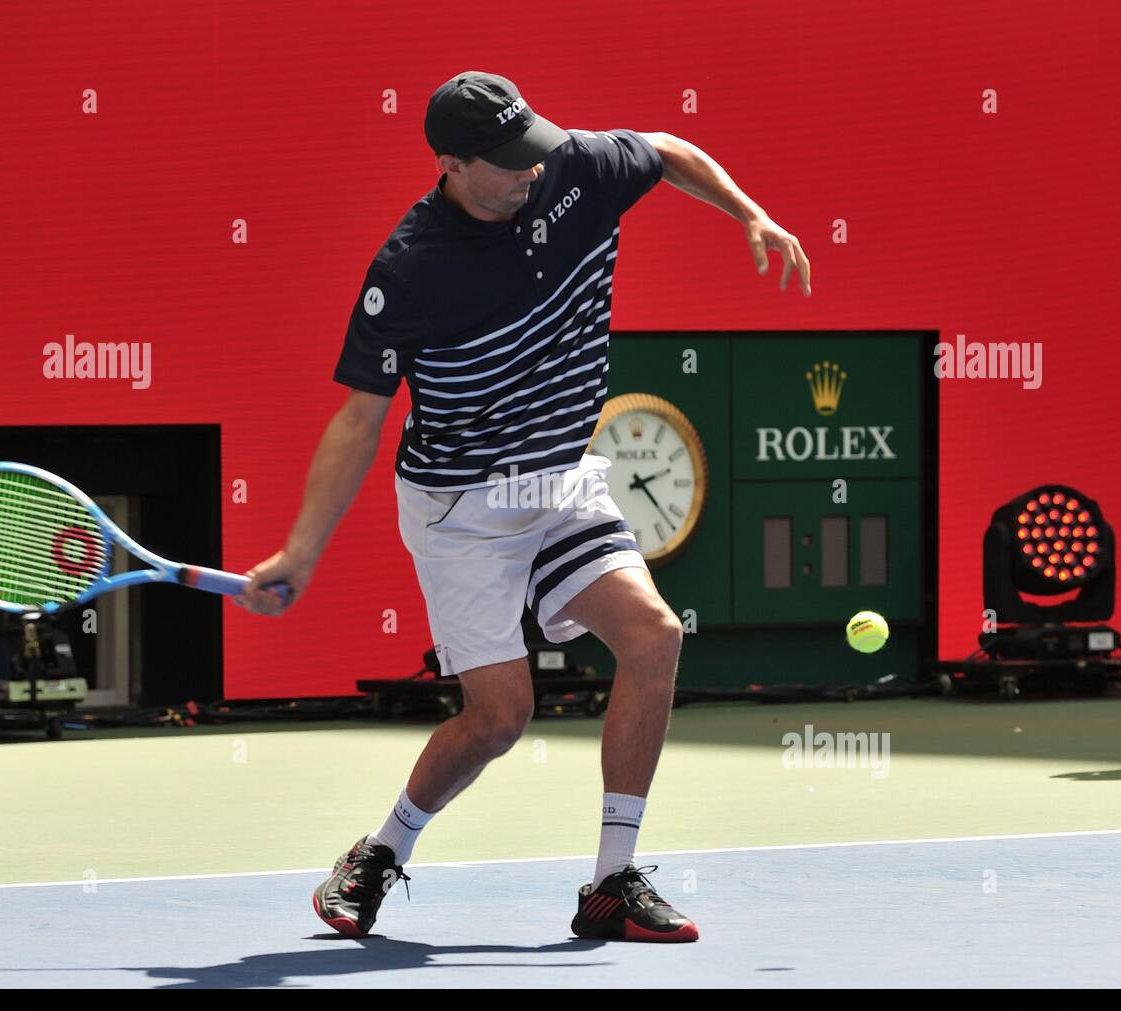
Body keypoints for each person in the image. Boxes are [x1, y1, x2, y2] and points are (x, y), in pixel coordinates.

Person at [238, 71, 811, 942]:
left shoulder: (575, 168)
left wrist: (749, 213)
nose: (530, 174)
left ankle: (611, 885)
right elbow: (359, 419)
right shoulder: (410, 269)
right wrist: (300, 553)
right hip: (459, 504)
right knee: (501, 718)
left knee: (654, 637)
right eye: (506, 165)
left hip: (560, 483)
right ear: (451, 165)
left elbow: (667, 150)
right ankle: (379, 854)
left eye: (532, 152)